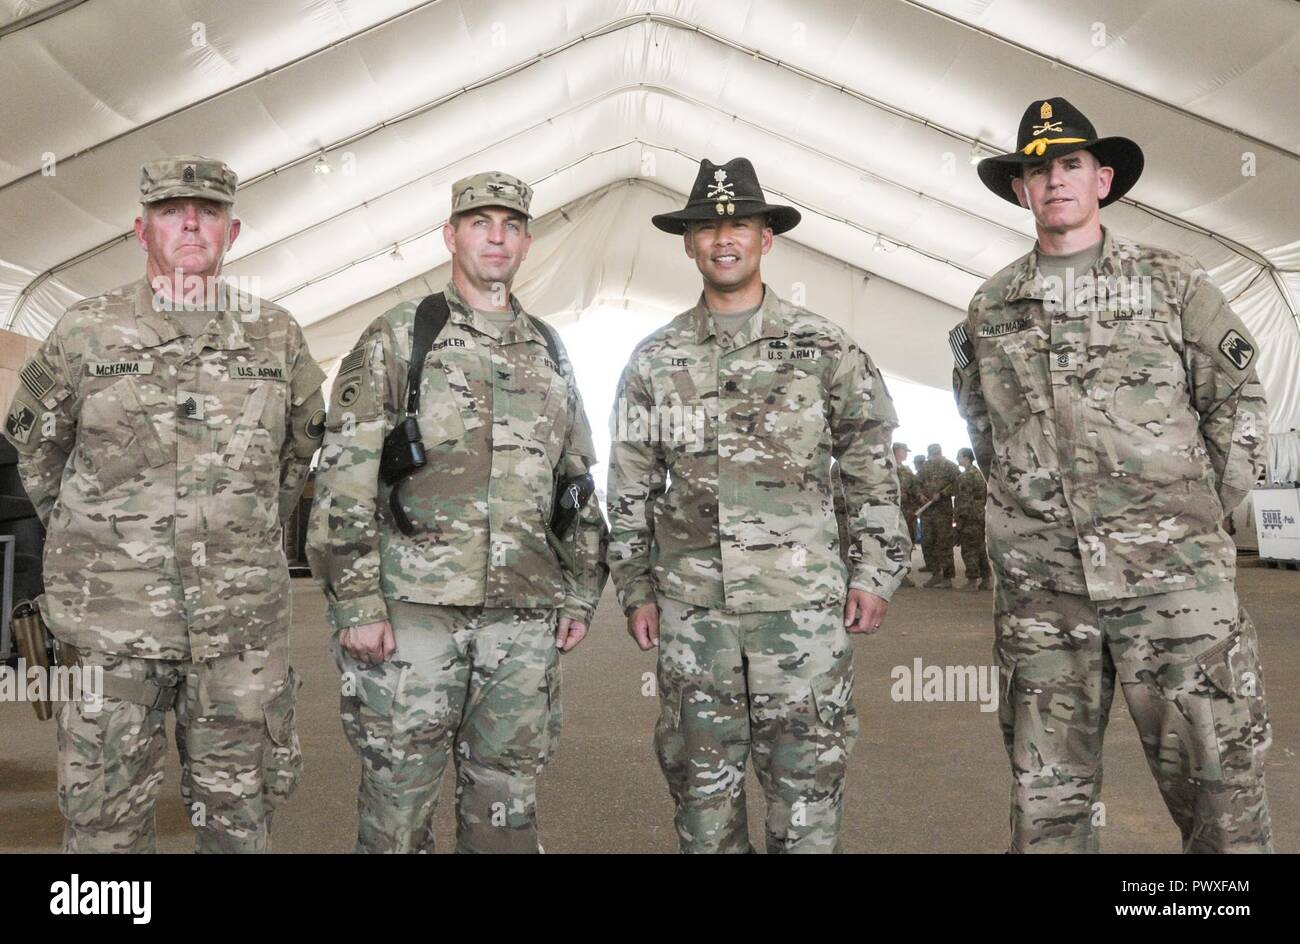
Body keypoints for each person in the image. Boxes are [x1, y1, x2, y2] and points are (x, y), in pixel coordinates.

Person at [954, 97, 1272, 852]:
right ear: (1020, 191)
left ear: (1101, 179)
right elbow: (986, 427)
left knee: (1220, 790)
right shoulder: (992, 306)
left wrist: (1188, 516)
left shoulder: (1173, 284)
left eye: (1069, 165)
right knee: (1047, 798)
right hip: (1046, 596)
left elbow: (1239, 405)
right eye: (1037, 171)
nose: (1054, 181)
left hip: (1177, 591)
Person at [2, 156, 324, 852]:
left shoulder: (275, 335)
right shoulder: (85, 331)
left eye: (207, 211)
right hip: (110, 630)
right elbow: (36, 456)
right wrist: (100, 548)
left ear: (231, 231)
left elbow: (296, 460)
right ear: (139, 228)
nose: (189, 222)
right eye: (172, 210)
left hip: (239, 632)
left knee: (240, 819)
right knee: (102, 824)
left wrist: (236, 537)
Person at [607, 157, 909, 853]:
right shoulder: (655, 360)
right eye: (707, 228)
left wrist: (875, 571)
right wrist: (634, 589)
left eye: (738, 223)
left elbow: (870, 466)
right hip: (694, 615)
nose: (723, 239)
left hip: (800, 613)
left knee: (807, 798)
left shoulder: (824, 347)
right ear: (688, 242)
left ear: (766, 237)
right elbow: (629, 484)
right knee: (702, 801)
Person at [307, 171, 608, 853]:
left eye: (509, 225)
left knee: (506, 803)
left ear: (527, 242)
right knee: (397, 801)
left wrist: (582, 591)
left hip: (521, 617)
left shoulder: (549, 349)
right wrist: (357, 604)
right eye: (480, 223)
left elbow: (575, 480)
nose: (495, 237)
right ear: (451, 236)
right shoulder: (400, 337)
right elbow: (343, 477)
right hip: (413, 614)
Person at [916, 443, 959, 588]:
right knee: (927, 543)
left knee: (944, 544)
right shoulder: (925, 467)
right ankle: (935, 574)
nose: (933, 458)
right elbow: (916, 484)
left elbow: (958, 485)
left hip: (943, 511)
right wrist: (920, 495)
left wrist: (943, 494)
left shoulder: (951, 467)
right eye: (931, 456)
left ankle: (947, 578)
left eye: (935, 455)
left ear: (940, 453)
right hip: (927, 512)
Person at [954, 447, 991, 590]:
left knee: (969, 549)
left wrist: (959, 520)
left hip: (968, 517)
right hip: (980, 514)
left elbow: (964, 501)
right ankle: (986, 578)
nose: (957, 459)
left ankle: (972, 580)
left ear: (966, 457)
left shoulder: (966, 476)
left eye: (959, 456)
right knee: (980, 547)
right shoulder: (980, 474)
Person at [894, 442, 921, 587]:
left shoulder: (906, 470)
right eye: (904, 451)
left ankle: (903, 574)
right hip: (889, 511)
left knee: (906, 543)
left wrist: (920, 497)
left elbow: (914, 487)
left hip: (906, 512)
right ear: (897, 451)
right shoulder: (886, 466)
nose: (906, 454)